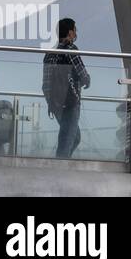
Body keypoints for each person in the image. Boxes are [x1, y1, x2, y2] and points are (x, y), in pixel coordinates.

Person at [42, 18, 90, 158]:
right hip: (70, 103)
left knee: (74, 137)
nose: (76, 33)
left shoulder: (49, 54)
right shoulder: (71, 50)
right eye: (75, 30)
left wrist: (51, 102)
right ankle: (59, 172)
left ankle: (63, 164)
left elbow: (45, 84)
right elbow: (83, 76)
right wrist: (87, 81)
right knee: (66, 143)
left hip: (55, 104)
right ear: (70, 33)